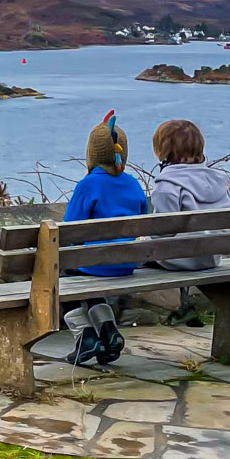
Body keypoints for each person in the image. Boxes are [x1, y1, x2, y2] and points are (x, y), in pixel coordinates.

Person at [60, 110, 148, 365]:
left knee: (64, 274)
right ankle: (108, 331)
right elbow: (143, 220)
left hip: (95, 265)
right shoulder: (133, 184)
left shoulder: (88, 184)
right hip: (126, 265)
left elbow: (69, 229)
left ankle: (85, 336)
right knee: (84, 273)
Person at [149, 118, 230, 326]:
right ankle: (185, 306)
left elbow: (162, 234)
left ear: (161, 151)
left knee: (140, 245)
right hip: (213, 257)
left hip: (180, 259)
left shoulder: (167, 185)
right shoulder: (219, 180)